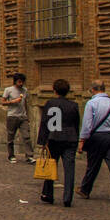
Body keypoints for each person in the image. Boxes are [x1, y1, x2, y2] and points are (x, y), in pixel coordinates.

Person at [78, 79, 110, 203]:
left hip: (97, 138)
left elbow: (87, 125)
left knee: (93, 165)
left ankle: (85, 190)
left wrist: (82, 140)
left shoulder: (91, 103)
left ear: (93, 90)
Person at [36, 78, 80, 206]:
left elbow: (44, 122)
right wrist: (76, 138)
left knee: (51, 166)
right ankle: (67, 198)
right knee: (69, 169)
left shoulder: (50, 103)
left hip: (54, 137)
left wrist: (42, 141)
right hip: (70, 138)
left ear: (54, 91)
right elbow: (76, 123)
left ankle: (48, 194)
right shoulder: (74, 105)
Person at [2, 72, 35, 164]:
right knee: (11, 137)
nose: (21, 84)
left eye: (22, 82)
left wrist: (27, 115)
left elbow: (25, 103)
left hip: (23, 116)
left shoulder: (24, 90)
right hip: (12, 116)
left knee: (27, 136)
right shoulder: (8, 90)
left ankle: (29, 156)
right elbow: (3, 102)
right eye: (19, 82)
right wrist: (13, 101)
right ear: (15, 81)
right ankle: (11, 155)